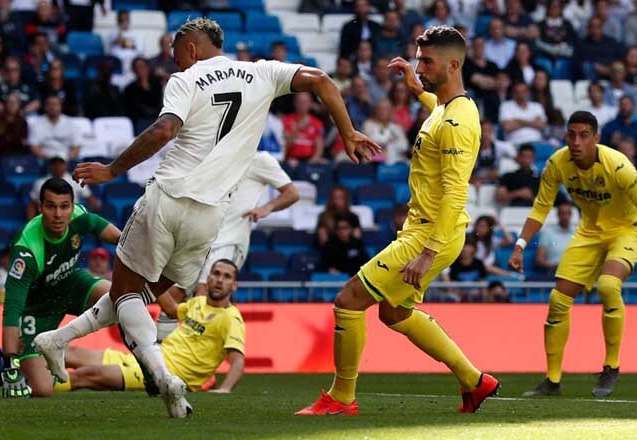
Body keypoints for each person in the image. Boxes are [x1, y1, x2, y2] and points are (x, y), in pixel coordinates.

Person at [33, 17, 379, 418]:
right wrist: (347, 132)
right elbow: (321, 80)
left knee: (127, 293)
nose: (174, 61)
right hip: (209, 217)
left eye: (175, 52)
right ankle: (57, 340)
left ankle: (162, 375)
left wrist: (112, 170)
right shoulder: (263, 72)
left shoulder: (187, 79)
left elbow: (163, 130)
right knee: (142, 295)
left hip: (168, 197)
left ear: (192, 48)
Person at [297, 25, 499, 417]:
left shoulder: (457, 122)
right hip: (428, 230)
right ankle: (474, 381)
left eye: (427, 62)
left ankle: (341, 398)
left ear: (453, 65)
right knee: (394, 313)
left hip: (430, 235)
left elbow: (456, 192)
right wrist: (416, 87)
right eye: (419, 60)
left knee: (348, 302)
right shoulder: (450, 107)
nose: (420, 67)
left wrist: (428, 253)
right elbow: (438, 112)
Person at [509, 111, 637, 398]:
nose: (576, 142)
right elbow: (541, 208)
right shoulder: (557, 163)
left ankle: (611, 366)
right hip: (589, 232)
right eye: (571, 135)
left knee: (608, 286)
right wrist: (520, 245)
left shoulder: (619, 166)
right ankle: (552, 381)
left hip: (626, 230)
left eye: (583, 135)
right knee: (558, 300)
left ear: (596, 138)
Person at [0, 177, 122, 398]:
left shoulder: (80, 216)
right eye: (51, 207)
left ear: (72, 207)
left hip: (70, 285)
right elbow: (12, 308)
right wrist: (10, 364)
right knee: (42, 390)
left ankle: (148, 368)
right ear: (40, 208)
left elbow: (119, 238)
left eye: (64, 206)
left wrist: (141, 247)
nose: (58, 214)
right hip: (36, 311)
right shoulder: (27, 250)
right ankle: (1, 362)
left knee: (120, 298)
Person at [157, 151, 299, 337]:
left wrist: (267, 208)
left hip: (229, 239)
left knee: (205, 294)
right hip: (201, 238)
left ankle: (195, 348)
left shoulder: (260, 160)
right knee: (175, 294)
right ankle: (159, 346)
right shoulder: (215, 155)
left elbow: (292, 193)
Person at [67, 259, 245, 393]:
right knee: (71, 353)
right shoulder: (198, 303)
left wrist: (225, 389)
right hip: (152, 358)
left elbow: (237, 360)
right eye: (216, 274)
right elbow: (171, 309)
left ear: (234, 286)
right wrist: (149, 278)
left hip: (167, 375)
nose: (220, 280)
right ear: (208, 278)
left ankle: (47, 388)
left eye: (227, 277)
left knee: (84, 375)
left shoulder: (231, 318)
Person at [27, 155, 101, 219]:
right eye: (54, 164)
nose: (57, 166)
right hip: (48, 219)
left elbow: (91, 201)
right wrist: (30, 222)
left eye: (60, 163)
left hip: (73, 218)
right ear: (50, 165)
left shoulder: (76, 180)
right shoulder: (40, 183)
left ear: (66, 165)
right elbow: (32, 205)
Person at [29, 95, 80, 161]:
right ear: (45, 107)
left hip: (66, 160)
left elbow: (76, 148)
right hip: (45, 160)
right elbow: (34, 147)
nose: (52, 107)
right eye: (50, 105)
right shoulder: (36, 124)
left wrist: (65, 160)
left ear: (61, 106)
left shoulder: (71, 123)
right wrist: (52, 160)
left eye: (55, 104)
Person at [283, 92, 326, 166]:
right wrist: (298, 128)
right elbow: (284, 146)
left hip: (309, 161)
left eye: (305, 102)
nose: (302, 105)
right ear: (295, 103)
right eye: (299, 102)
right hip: (291, 160)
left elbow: (319, 147)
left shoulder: (317, 123)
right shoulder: (287, 120)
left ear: (310, 103)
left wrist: (311, 162)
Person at [362, 98, 408, 164]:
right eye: (380, 109)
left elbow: (404, 145)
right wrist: (390, 141)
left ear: (391, 111)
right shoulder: (368, 125)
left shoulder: (396, 127)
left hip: (394, 162)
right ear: (375, 110)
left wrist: (388, 146)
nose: (382, 111)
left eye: (385, 109)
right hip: (372, 162)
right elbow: (368, 143)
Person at [499, 81, 546, 146]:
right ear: (513, 93)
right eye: (518, 92)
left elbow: (541, 125)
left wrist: (518, 121)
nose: (521, 94)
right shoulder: (506, 106)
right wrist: (532, 122)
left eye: (524, 91)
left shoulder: (536, 106)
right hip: (516, 143)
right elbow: (507, 127)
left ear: (528, 92)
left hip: (537, 141)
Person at [535, 200, 575, 274]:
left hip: (574, 271)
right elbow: (539, 260)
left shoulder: (577, 233)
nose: (565, 217)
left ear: (571, 215)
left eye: (568, 213)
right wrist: (554, 266)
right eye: (562, 213)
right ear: (558, 215)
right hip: (554, 271)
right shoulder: (548, 232)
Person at [123, 57, 163, 132]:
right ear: (134, 70)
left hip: (157, 118)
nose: (141, 69)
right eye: (138, 67)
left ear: (148, 68)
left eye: (143, 66)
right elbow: (134, 108)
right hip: (140, 120)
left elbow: (159, 103)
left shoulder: (157, 85)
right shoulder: (130, 89)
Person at [0, 93, 29, 158]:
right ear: (5, 104)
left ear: (19, 105)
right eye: (10, 102)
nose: (12, 105)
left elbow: (23, 142)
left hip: (17, 155)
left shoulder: (23, 122)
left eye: (14, 103)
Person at [473, 119, 515, 184]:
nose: (486, 134)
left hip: (495, 182)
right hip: (476, 183)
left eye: (489, 131)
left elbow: (517, 158)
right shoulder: (472, 148)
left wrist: (500, 172)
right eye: (484, 131)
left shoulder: (501, 147)